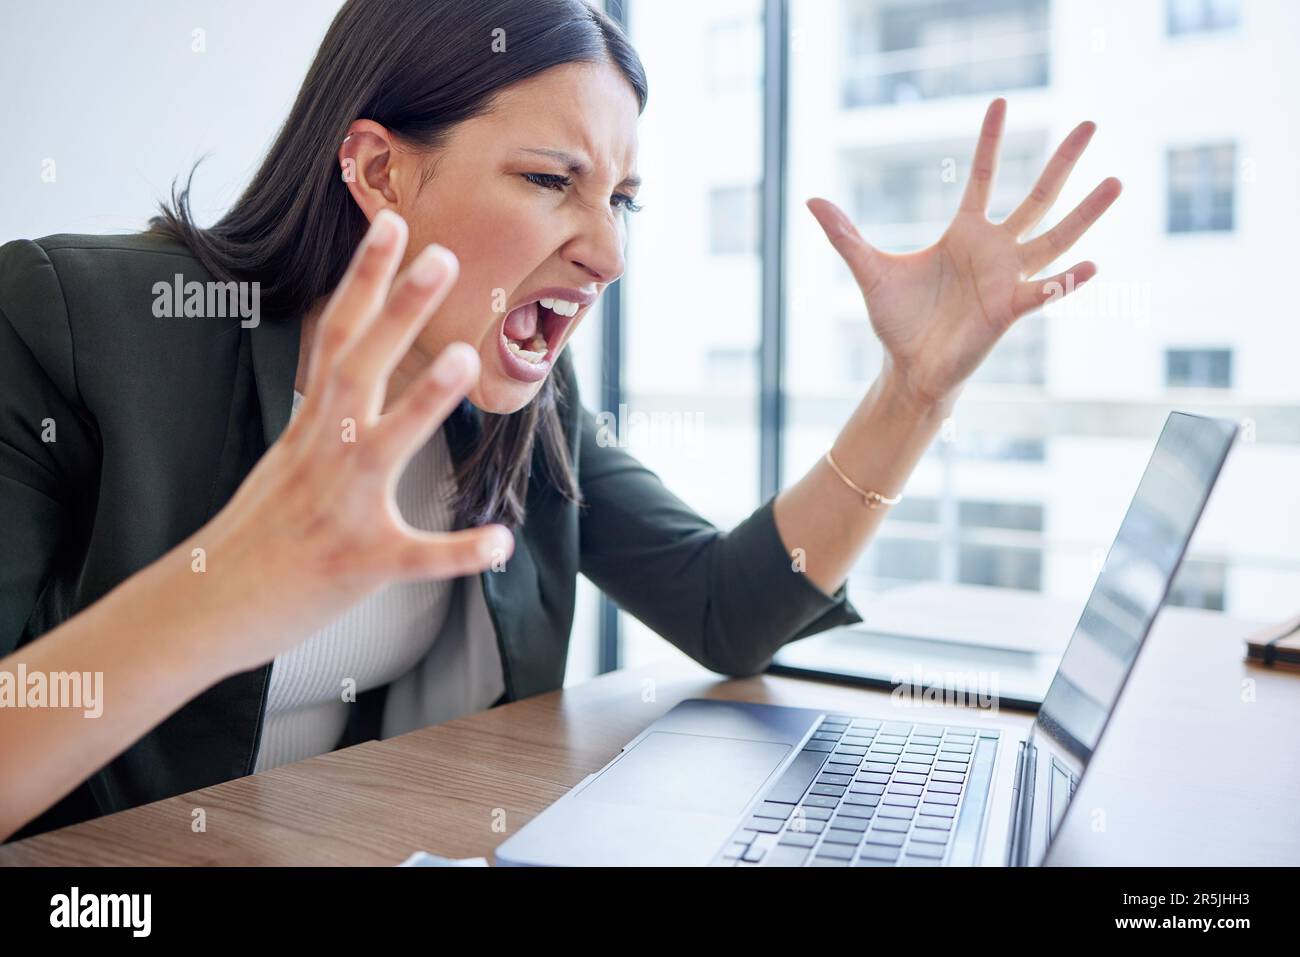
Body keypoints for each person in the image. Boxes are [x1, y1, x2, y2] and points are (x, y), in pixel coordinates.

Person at [0, 0, 1119, 843]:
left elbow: (726, 606)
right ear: (379, 169)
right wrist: (226, 589)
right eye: (550, 180)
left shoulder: (518, 396)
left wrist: (914, 389)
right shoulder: (69, 322)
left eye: (622, 199)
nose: (610, 253)